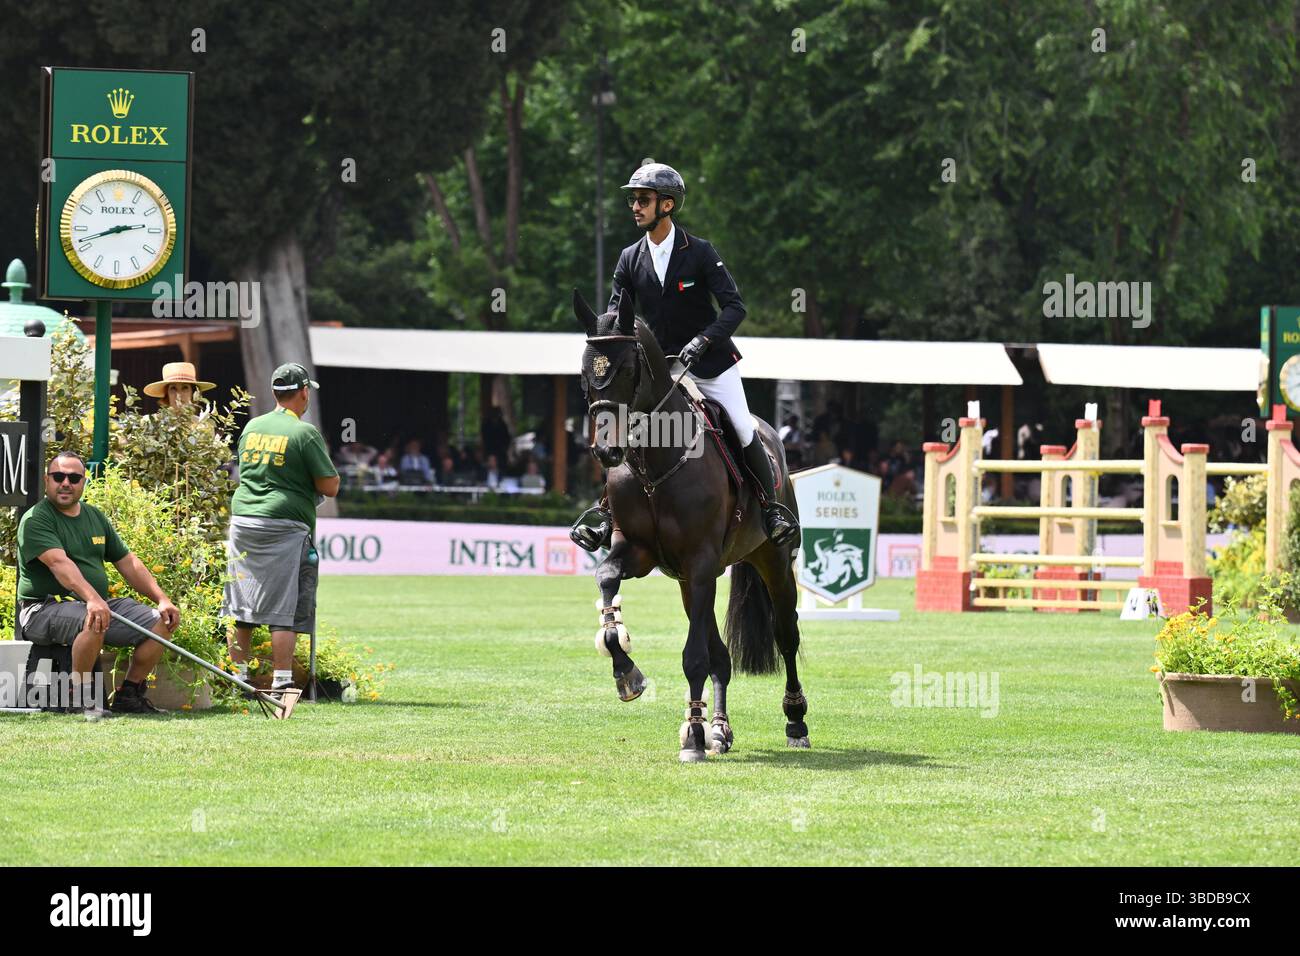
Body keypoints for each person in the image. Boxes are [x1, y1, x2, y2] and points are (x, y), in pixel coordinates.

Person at [570, 162, 799, 551]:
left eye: (643, 200)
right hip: (658, 370)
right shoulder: (629, 258)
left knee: (743, 427)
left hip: (708, 362)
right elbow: (616, 318)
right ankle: (606, 513)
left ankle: (771, 508)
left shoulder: (701, 253)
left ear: (668, 205)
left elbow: (734, 307)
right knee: (621, 428)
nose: (635, 207)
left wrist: (703, 340)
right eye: (633, 200)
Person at [16, 451, 180, 716]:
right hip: (42, 609)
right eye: (58, 476)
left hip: (94, 604)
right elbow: (60, 565)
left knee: (160, 621)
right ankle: (78, 696)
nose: (65, 483)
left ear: (83, 482)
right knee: (94, 618)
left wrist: (162, 599)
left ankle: (129, 694)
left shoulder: (94, 517)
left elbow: (128, 562)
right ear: (47, 481)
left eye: (74, 477)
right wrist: (93, 600)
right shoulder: (36, 519)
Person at [222, 363, 340, 692]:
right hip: (284, 526)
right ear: (303, 392)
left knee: (241, 603)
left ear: (275, 393)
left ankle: (238, 678)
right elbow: (330, 486)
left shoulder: (252, 427)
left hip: (244, 521)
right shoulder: (304, 432)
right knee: (282, 608)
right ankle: (283, 684)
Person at [143, 361, 216, 409]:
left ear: (193, 393)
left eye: (184, 388)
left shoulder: (203, 427)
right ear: (166, 394)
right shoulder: (156, 425)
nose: (179, 394)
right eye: (173, 388)